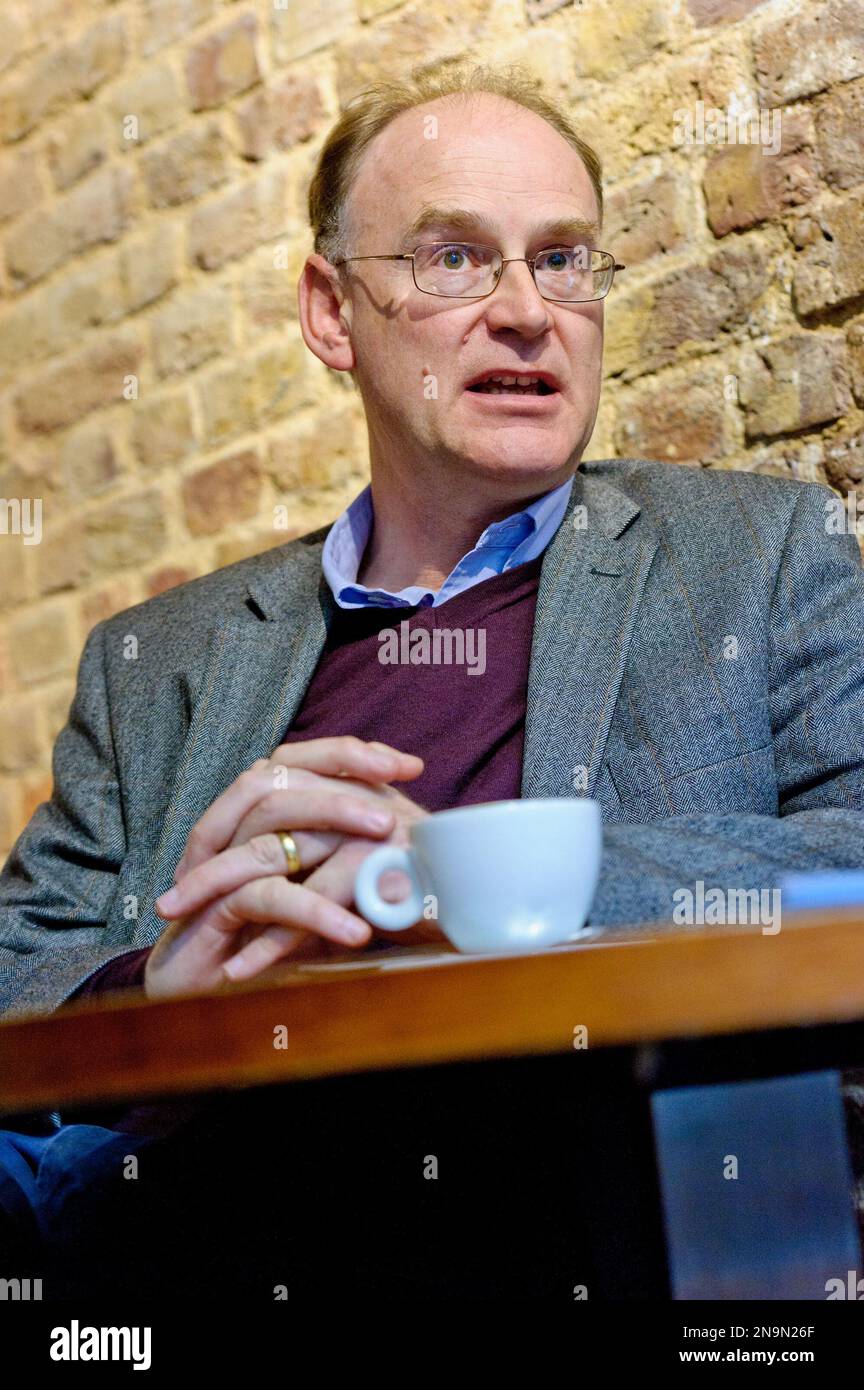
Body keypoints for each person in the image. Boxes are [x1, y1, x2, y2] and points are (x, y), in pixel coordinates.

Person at [2, 64, 864, 1286]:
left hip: (606, 1250)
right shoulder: (164, 664)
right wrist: (156, 985)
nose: (529, 310)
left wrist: (456, 882)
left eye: (564, 258)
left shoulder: (759, 557)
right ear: (329, 311)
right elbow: (15, 961)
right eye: (455, 258)